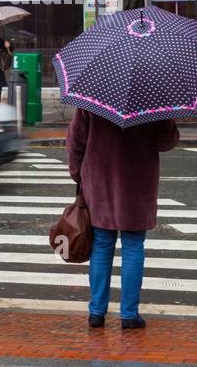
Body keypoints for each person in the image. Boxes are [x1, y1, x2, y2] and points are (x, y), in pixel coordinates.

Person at [67, 109, 179, 329]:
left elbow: (76, 140)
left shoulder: (93, 98)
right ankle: (129, 314)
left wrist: (77, 174)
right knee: (133, 245)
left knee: (101, 244)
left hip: (99, 180)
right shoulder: (153, 100)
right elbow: (166, 142)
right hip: (137, 183)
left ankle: (97, 312)